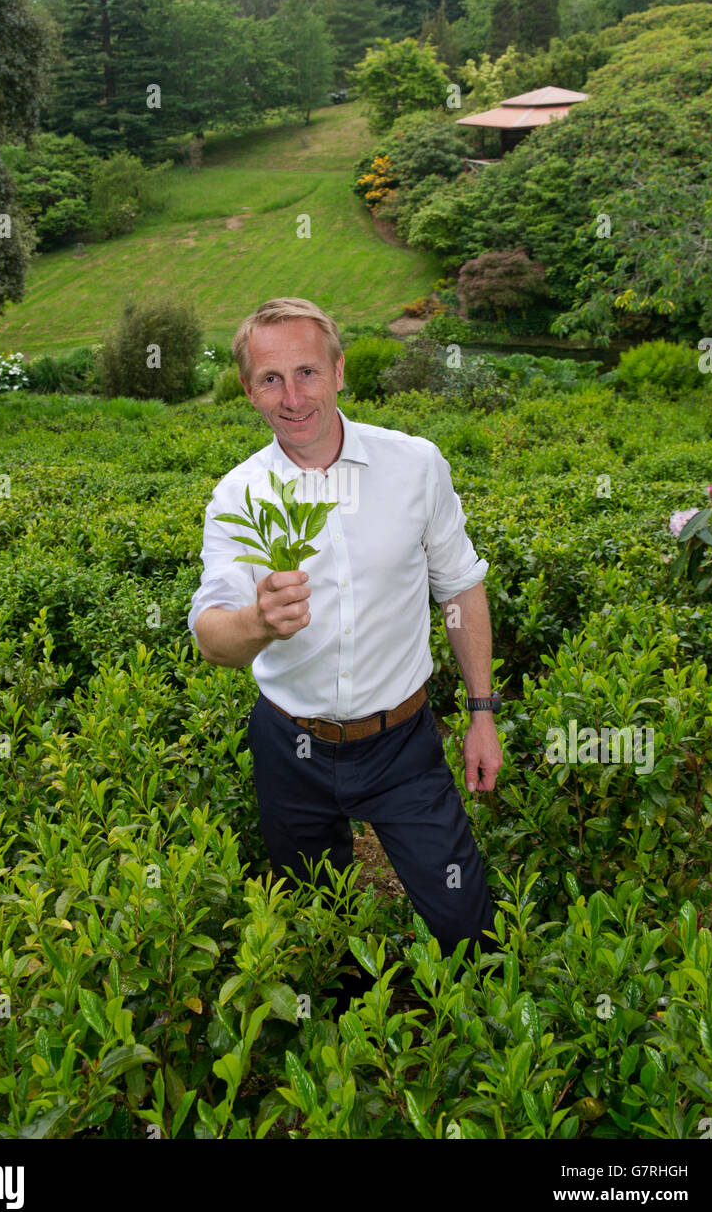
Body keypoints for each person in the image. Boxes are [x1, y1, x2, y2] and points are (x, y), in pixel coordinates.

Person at [188, 297, 502, 973]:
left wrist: (481, 713)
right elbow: (212, 637)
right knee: (316, 925)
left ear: (338, 372)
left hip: (401, 742)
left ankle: (487, 1036)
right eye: (270, 379)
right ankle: (347, 1039)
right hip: (288, 744)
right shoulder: (237, 495)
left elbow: (458, 586)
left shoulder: (414, 465)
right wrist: (256, 622)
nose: (292, 396)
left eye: (306, 372)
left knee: (462, 917)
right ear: (248, 391)